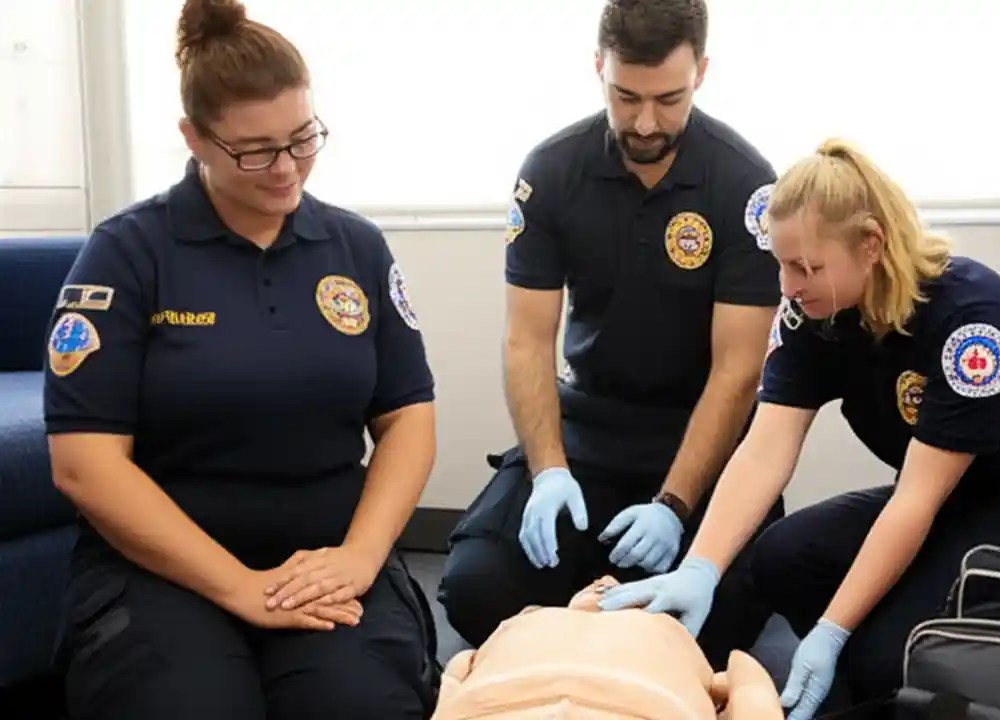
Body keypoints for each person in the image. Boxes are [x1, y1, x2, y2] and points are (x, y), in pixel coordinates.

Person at [597, 139, 1000, 719]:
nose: (788, 285)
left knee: (886, 658)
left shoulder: (972, 323)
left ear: (871, 246)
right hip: (941, 500)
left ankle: (883, 660)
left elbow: (915, 500)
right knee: (779, 555)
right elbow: (764, 449)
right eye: (782, 264)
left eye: (807, 267)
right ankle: (868, 657)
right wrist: (699, 567)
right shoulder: (818, 312)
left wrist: (833, 629)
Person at [43, 1, 439, 717]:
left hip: (326, 559)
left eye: (303, 138)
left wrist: (359, 558)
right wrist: (236, 586)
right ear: (193, 138)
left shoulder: (356, 248)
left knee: (361, 705)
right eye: (255, 150)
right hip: (163, 568)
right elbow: (83, 463)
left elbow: (408, 416)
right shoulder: (128, 253)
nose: (287, 168)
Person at [437, 0, 785, 671]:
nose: (646, 121)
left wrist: (675, 506)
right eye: (625, 96)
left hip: (697, 442)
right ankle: (600, 616)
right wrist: (547, 470)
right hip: (586, 433)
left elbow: (738, 373)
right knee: (476, 592)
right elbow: (528, 343)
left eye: (668, 99)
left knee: (720, 618)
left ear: (702, 73)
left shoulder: (745, 185)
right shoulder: (552, 172)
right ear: (599, 68)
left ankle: (585, 621)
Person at [432, 575, 784, 720]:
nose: (605, 581)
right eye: (597, 584)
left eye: (617, 587)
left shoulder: (664, 630)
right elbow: (743, 676)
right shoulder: (524, 622)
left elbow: (459, 670)